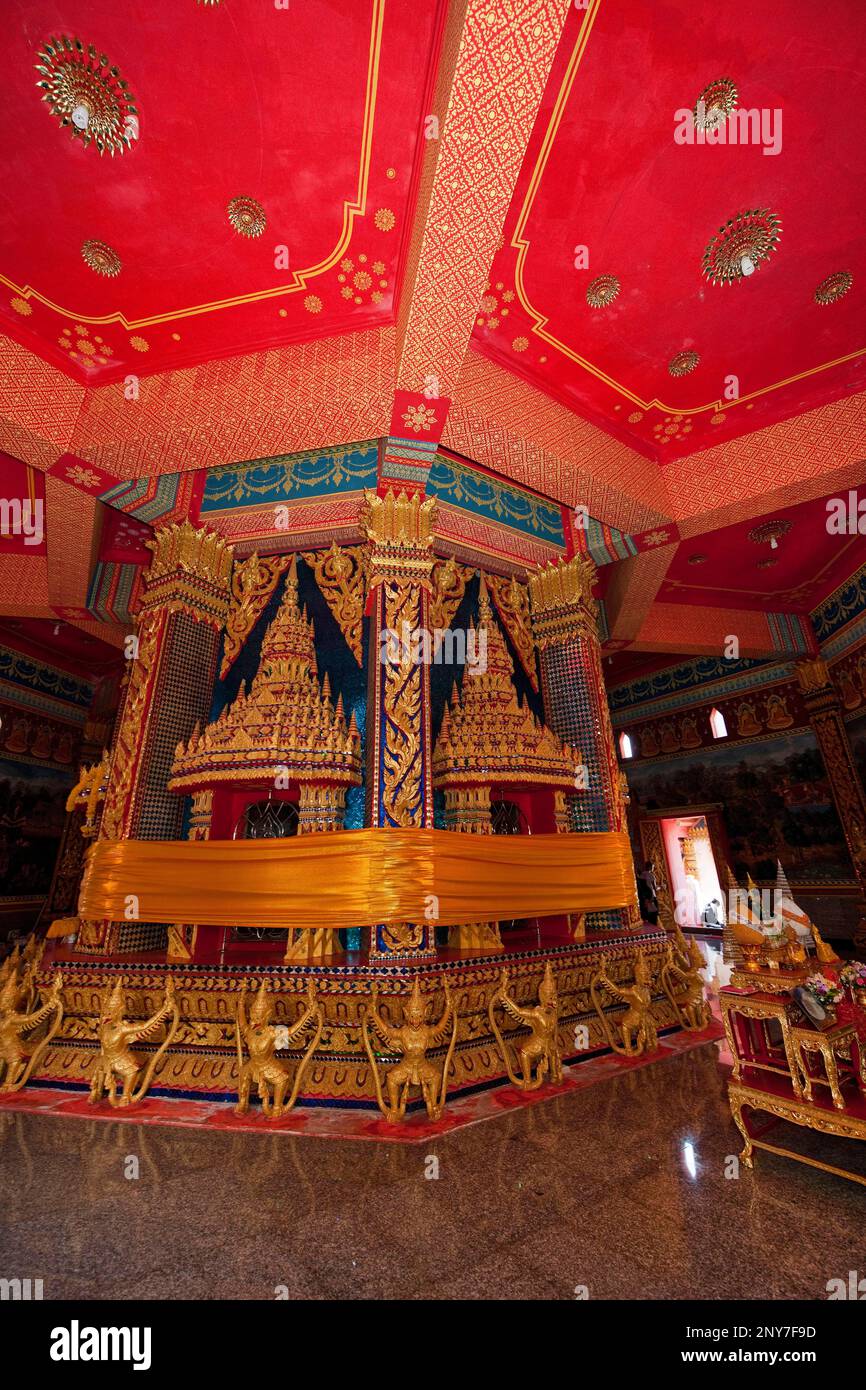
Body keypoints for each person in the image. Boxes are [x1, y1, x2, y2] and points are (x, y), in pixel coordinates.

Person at [637, 859, 659, 925]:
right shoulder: (651, 876)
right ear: (650, 867)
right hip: (652, 897)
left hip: (644, 898)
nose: (653, 868)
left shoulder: (641, 875)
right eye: (652, 867)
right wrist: (661, 887)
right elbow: (655, 888)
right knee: (654, 915)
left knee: (647, 915)